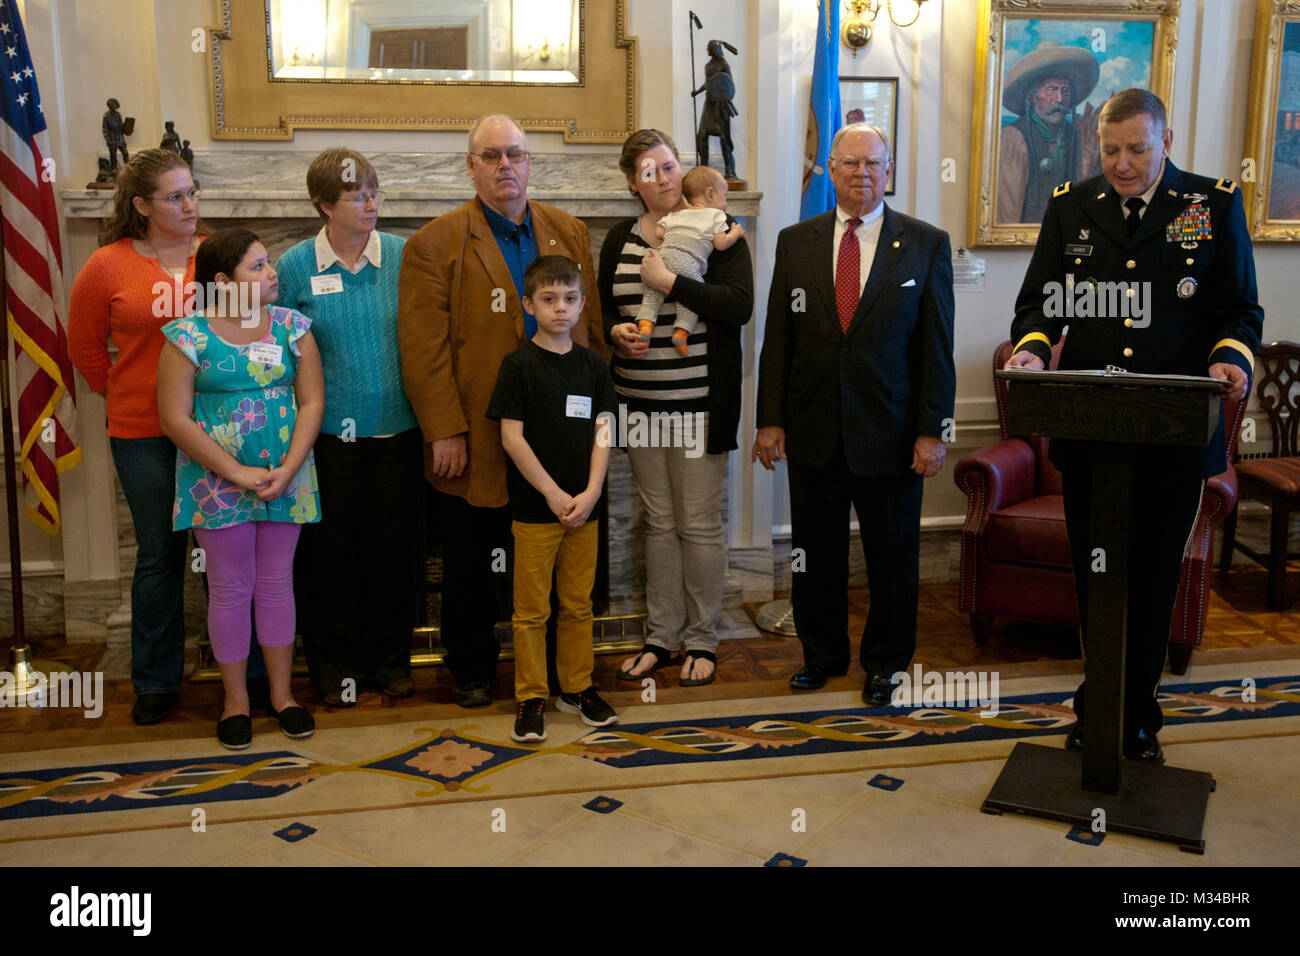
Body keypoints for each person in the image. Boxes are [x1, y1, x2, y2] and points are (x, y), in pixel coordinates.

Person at [1006, 88, 1263, 762]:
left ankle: (1138, 716)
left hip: (1174, 438)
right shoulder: (1071, 207)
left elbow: (1239, 311)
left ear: (1167, 140)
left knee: (1152, 579)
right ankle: (1097, 708)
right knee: (1097, 574)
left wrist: (1229, 359)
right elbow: (1039, 302)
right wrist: (1033, 344)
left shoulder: (1211, 206)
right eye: (1111, 149)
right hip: (1093, 437)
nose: (1122, 163)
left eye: (1138, 149)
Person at [398, 114, 605, 708]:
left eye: (514, 154)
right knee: (472, 556)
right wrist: (444, 429)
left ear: (529, 162)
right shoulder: (433, 244)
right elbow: (422, 349)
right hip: (480, 435)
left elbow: (584, 329)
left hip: (561, 435)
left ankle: (562, 677)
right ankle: (471, 669)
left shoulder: (570, 231)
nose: (504, 166)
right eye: (490, 156)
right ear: (471, 167)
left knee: (553, 559)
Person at [753, 123, 955, 704]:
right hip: (814, 430)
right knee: (813, 555)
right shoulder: (796, 240)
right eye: (849, 164)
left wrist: (932, 431)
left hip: (892, 433)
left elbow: (935, 348)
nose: (861, 174)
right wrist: (772, 420)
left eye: (873, 164)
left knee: (893, 558)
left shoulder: (925, 243)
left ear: (888, 171)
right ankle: (822, 656)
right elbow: (779, 340)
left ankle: (886, 663)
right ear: (832, 171)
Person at [157, 228, 324, 750]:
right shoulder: (186, 337)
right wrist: (237, 472)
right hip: (214, 482)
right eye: (257, 267)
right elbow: (174, 418)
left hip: (287, 477)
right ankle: (235, 702)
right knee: (230, 589)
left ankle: (283, 696)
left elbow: (313, 402)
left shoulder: (294, 328)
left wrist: (290, 468)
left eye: (269, 263)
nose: (271, 273)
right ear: (223, 282)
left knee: (277, 584)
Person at [602, 129, 754, 688]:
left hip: (697, 405)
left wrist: (670, 283)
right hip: (640, 405)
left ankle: (703, 639)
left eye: (669, 166)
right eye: (650, 171)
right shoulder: (620, 238)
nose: (664, 179)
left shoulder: (720, 229)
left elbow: (737, 307)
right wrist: (617, 332)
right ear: (632, 183)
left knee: (696, 524)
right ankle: (661, 637)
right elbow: (601, 313)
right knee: (657, 525)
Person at [276, 148, 422, 709]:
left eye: (374, 193)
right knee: (329, 557)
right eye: (357, 196)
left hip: (397, 434)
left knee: (392, 551)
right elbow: (278, 352)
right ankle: (334, 668)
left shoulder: (405, 256)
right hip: (327, 441)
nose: (370, 204)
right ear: (323, 205)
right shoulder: (293, 268)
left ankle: (389, 663)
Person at [69, 148, 209, 726]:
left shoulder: (217, 255)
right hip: (142, 434)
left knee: (225, 553)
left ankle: (245, 674)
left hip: (219, 431)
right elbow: (84, 348)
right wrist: (128, 393)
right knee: (159, 553)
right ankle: (155, 680)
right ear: (142, 206)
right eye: (175, 196)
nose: (189, 204)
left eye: (193, 192)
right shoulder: (107, 264)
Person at [486, 256, 619, 741]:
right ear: (528, 304)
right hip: (536, 510)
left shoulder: (593, 366)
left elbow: (605, 431)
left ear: (582, 304)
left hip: (585, 509)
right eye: (548, 299)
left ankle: (577, 687)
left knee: (578, 604)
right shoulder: (518, 365)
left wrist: (590, 492)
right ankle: (531, 696)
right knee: (531, 610)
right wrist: (554, 492)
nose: (560, 308)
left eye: (569, 299)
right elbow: (512, 438)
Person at [636, 165, 745, 356]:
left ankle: (645, 324)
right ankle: (682, 332)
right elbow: (720, 244)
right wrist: (735, 233)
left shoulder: (675, 215)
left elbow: (659, 232)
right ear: (710, 194)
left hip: (663, 256)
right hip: (687, 262)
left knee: (652, 293)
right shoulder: (716, 216)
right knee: (690, 300)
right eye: (725, 196)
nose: (726, 203)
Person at [996, 41, 1101, 225]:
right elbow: (1007, 216)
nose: (1059, 99)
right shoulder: (1013, 138)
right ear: (1032, 95)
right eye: (1051, 89)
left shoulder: (1075, 136)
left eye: (1065, 91)